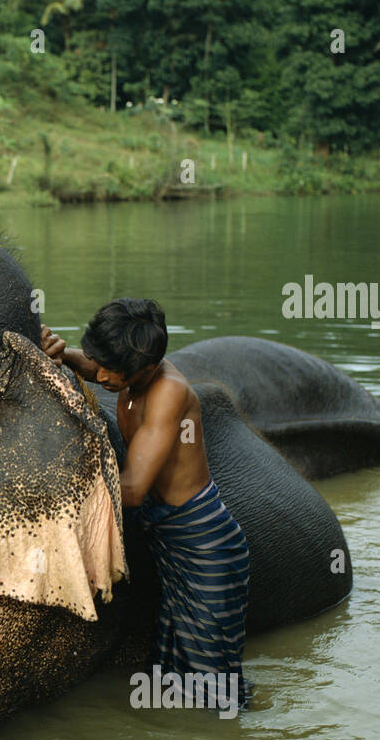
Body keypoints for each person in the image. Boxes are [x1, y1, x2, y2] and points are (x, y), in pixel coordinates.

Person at [42, 299, 250, 711]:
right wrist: (59, 352)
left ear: (147, 368)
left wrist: (56, 485)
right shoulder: (125, 375)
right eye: (98, 361)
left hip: (206, 546)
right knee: (172, 668)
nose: (99, 376)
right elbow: (91, 367)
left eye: (111, 371)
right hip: (169, 542)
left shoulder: (168, 394)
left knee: (213, 685)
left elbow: (133, 490)